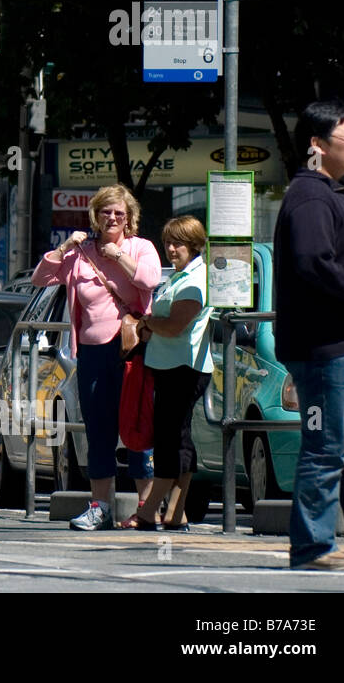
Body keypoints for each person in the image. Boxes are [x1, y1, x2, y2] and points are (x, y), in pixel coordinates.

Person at [32, 183, 159, 530]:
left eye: (119, 212)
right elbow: (40, 278)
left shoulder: (140, 247)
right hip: (91, 353)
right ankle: (100, 506)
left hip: (131, 350)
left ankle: (147, 509)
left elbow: (150, 279)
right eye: (106, 212)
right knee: (98, 431)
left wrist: (116, 255)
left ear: (129, 217)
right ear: (96, 216)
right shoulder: (81, 252)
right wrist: (64, 247)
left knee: (137, 426)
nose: (113, 217)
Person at [272, 99, 344, 570]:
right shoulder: (310, 196)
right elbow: (314, 263)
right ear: (317, 145)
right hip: (325, 350)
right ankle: (312, 549)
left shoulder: (332, 194)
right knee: (325, 448)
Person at [127, 216, 213, 530]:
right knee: (179, 438)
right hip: (170, 367)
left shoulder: (193, 279)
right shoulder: (179, 277)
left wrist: (148, 324)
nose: (171, 249)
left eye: (177, 243)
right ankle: (176, 513)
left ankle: (150, 511)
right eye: (167, 242)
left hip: (182, 368)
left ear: (194, 245)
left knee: (169, 440)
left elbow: (176, 326)